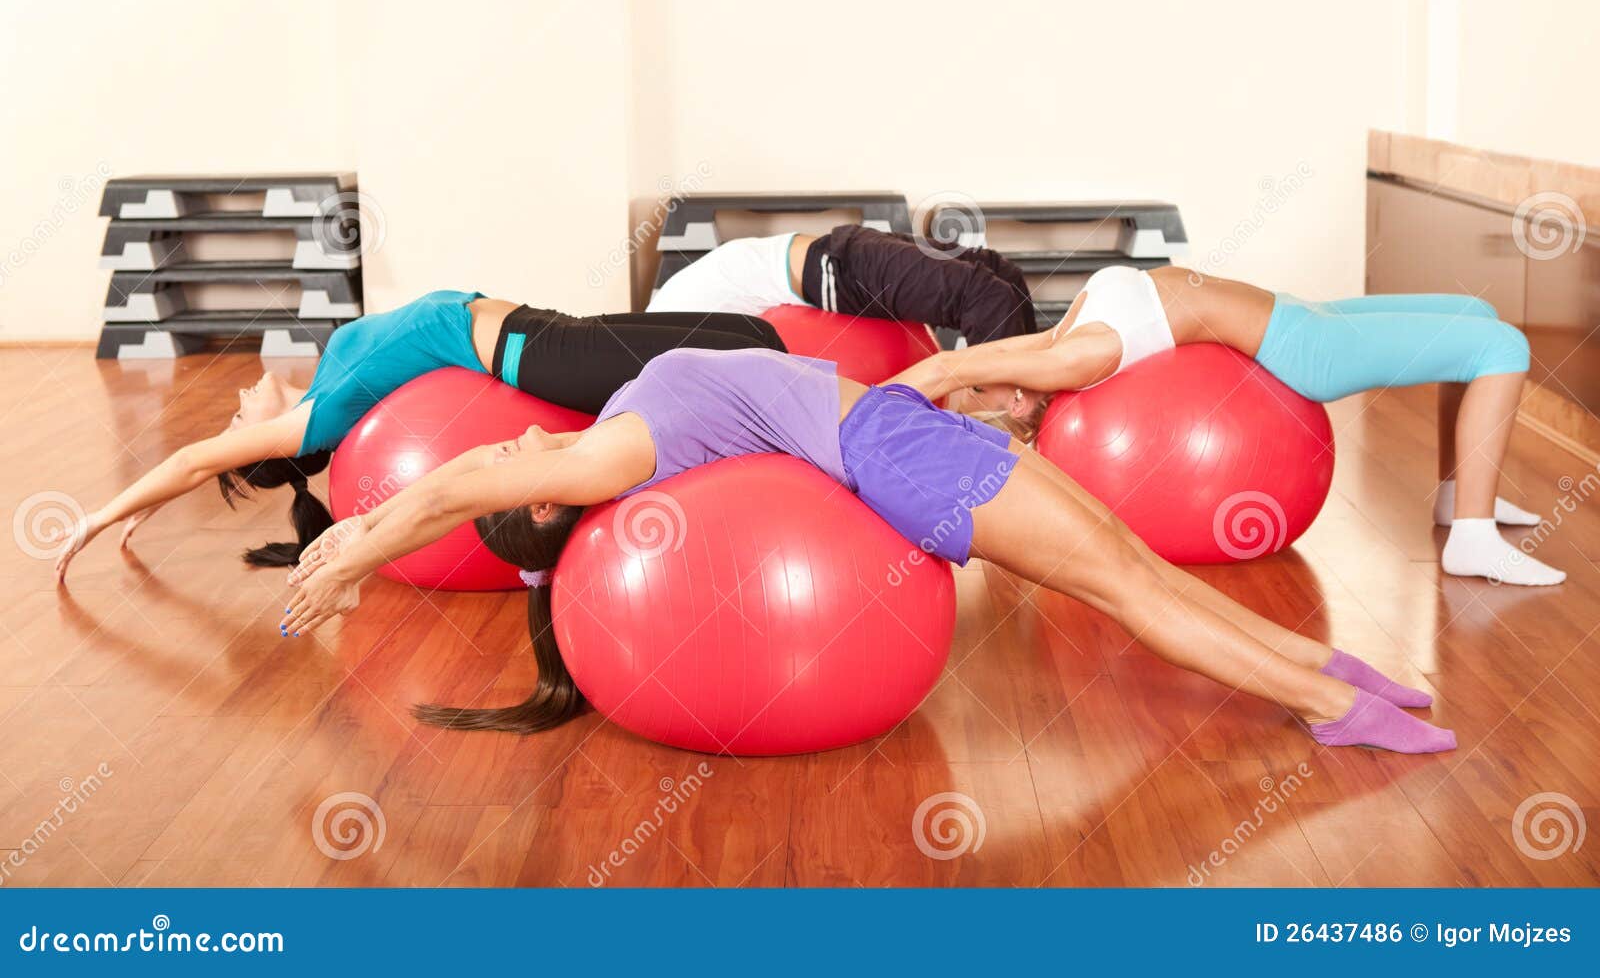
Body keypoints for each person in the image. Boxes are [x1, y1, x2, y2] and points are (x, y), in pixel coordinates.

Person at [284, 345, 1456, 755]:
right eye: (524, 468)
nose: (525, 436)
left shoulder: (621, 419)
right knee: (1122, 589)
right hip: (904, 463)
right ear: (544, 503)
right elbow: (455, 479)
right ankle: (1323, 698)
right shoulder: (603, 461)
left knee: (1142, 567)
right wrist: (348, 542)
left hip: (906, 428)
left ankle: (1336, 676)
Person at [889, 265, 1562, 586]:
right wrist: (920, 389)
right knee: (1502, 346)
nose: (1001, 392)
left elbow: (1012, 354)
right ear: (1020, 398)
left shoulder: (1064, 334)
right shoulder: (1082, 354)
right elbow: (958, 367)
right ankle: (1470, 536)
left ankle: (1456, 494)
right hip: (1302, 348)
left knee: (1472, 306)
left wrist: (962, 372)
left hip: (1298, 310)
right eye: (996, 395)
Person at [49, 291, 784, 582]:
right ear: (270, 446)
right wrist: (100, 514)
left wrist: (142, 510)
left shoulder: (323, 385)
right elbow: (188, 460)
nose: (241, 398)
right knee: (755, 349)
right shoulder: (313, 420)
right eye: (239, 424)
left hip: (541, 326)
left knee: (750, 333)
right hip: (535, 353)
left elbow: (187, 469)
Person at [648, 225, 1036, 346]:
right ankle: (1009, 427)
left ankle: (1014, 410)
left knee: (997, 282)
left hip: (833, 265)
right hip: (835, 257)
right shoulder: (660, 325)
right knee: (996, 285)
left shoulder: (657, 334)